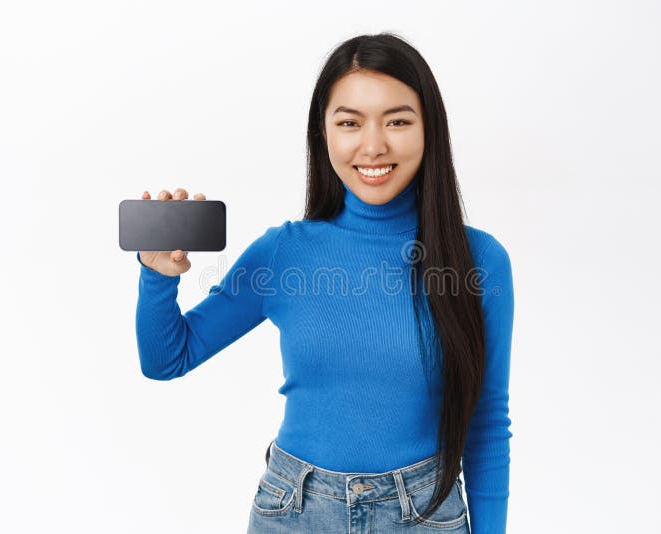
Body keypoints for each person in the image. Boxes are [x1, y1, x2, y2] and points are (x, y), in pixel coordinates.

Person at [135, 32, 513, 534]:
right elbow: (166, 359)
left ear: (429, 130)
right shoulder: (284, 253)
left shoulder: (479, 260)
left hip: (425, 514)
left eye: (397, 121)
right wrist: (157, 278)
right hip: (294, 512)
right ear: (324, 134)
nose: (373, 145)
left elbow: (486, 426)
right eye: (350, 123)